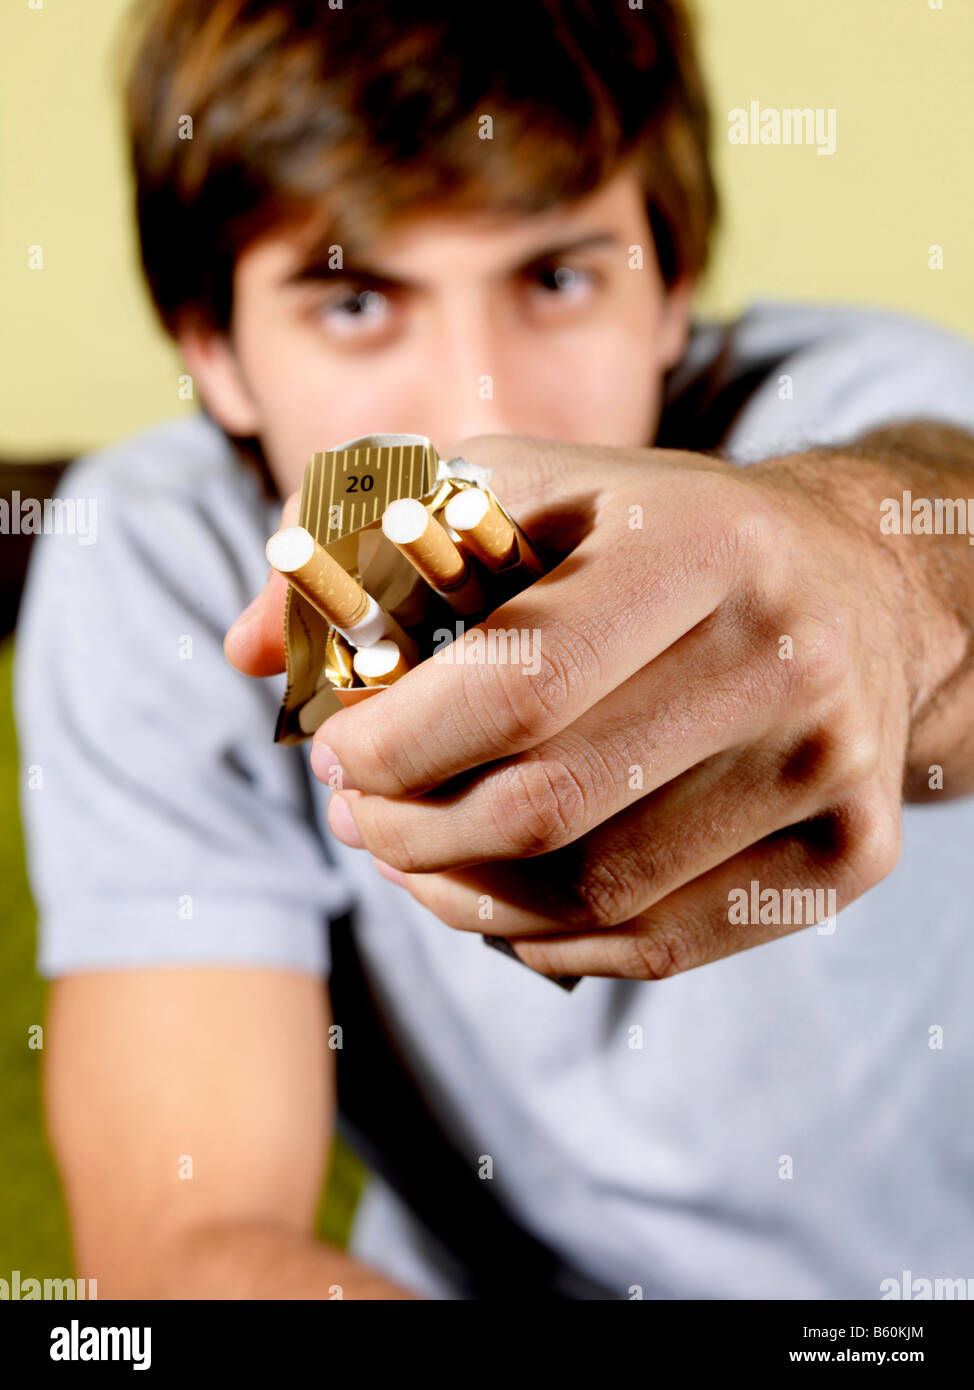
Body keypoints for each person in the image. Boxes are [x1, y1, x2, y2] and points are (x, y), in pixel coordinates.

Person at [16, 0, 974, 1300]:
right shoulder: (156, 553)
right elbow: (187, 1248)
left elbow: (931, 536)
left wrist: (870, 581)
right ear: (213, 355)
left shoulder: (858, 416)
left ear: (671, 294)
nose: (481, 411)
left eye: (558, 279)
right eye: (355, 302)